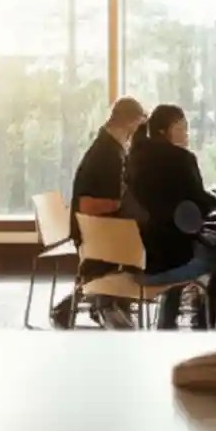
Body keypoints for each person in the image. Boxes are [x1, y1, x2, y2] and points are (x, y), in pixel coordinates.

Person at [51, 96, 148, 329]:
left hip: (93, 233)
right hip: (96, 236)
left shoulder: (108, 148)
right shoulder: (108, 155)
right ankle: (107, 303)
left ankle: (99, 300)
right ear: (130, 122)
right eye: (139, 125)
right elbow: (88, 205)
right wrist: (122, 205)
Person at [128, 105, 216, 330]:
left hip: (137, 262)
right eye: (181, 128)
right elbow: (198, 206)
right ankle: (205, 326)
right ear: (163, 131)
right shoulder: (182, 159)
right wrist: (215, 200)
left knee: (177, 241)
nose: (186, 134)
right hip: (170, 263)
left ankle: (167, 323)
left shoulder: (133, 158)